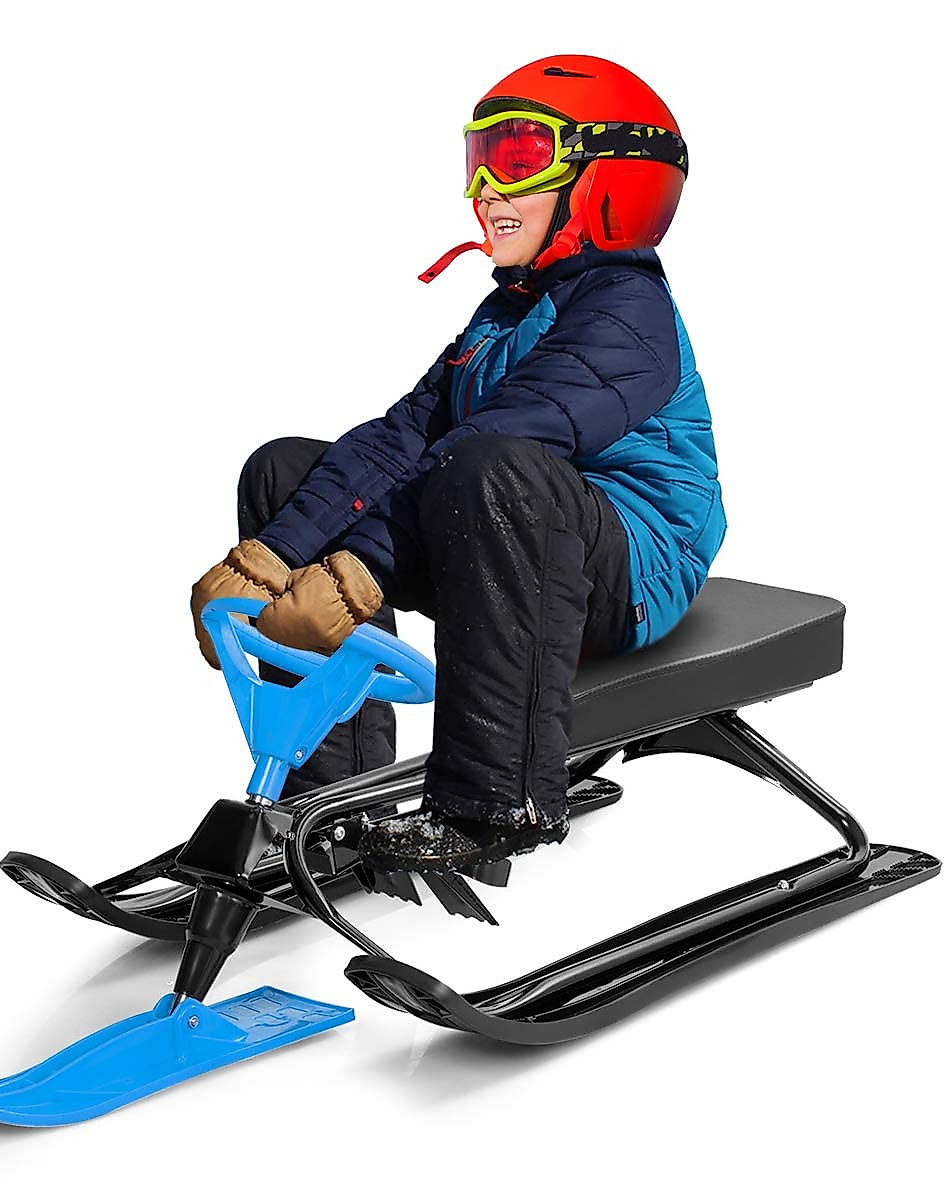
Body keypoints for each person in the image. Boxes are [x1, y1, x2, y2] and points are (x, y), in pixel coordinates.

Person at [190, 54, 725, 874]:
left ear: (607, 182)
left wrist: (357, 572)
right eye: (481, 160)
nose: (486, 190)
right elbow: (400, 439)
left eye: (518, 160)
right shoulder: (506, 311)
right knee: (286, 469)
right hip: (505, 542)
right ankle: (330, 799)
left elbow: (505, 444)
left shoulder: (629, 312)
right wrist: (271, 555)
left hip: (625, 571)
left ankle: (493, 806)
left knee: (494, 467)